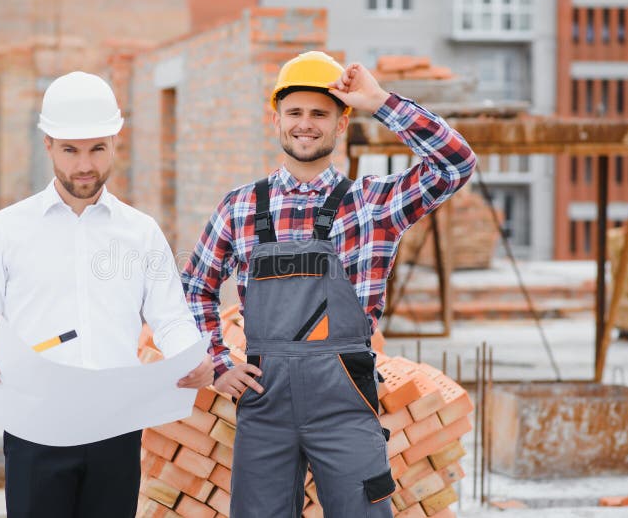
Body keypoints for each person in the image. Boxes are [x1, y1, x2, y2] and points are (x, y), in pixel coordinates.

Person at [181, 51, 477, 517]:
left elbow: (455, 164)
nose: (305, 124)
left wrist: (379, 101)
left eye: (320, 114)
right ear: (276, 120)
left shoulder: (373, 204)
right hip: (264, 403)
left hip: (345, 403)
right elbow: (196, 286)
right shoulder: (240, 206)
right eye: (294, 112)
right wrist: (219, 364)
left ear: (341, 124)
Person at [0, 71, 213, 518]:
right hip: (35, 424)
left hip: (115, 426)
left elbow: (170, 316)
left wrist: (190, 356)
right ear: (49, 145)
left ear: (115, 142)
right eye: (70, 150)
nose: (84, 165)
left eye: (97, 148)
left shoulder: (140, 232)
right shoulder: (7, 229)